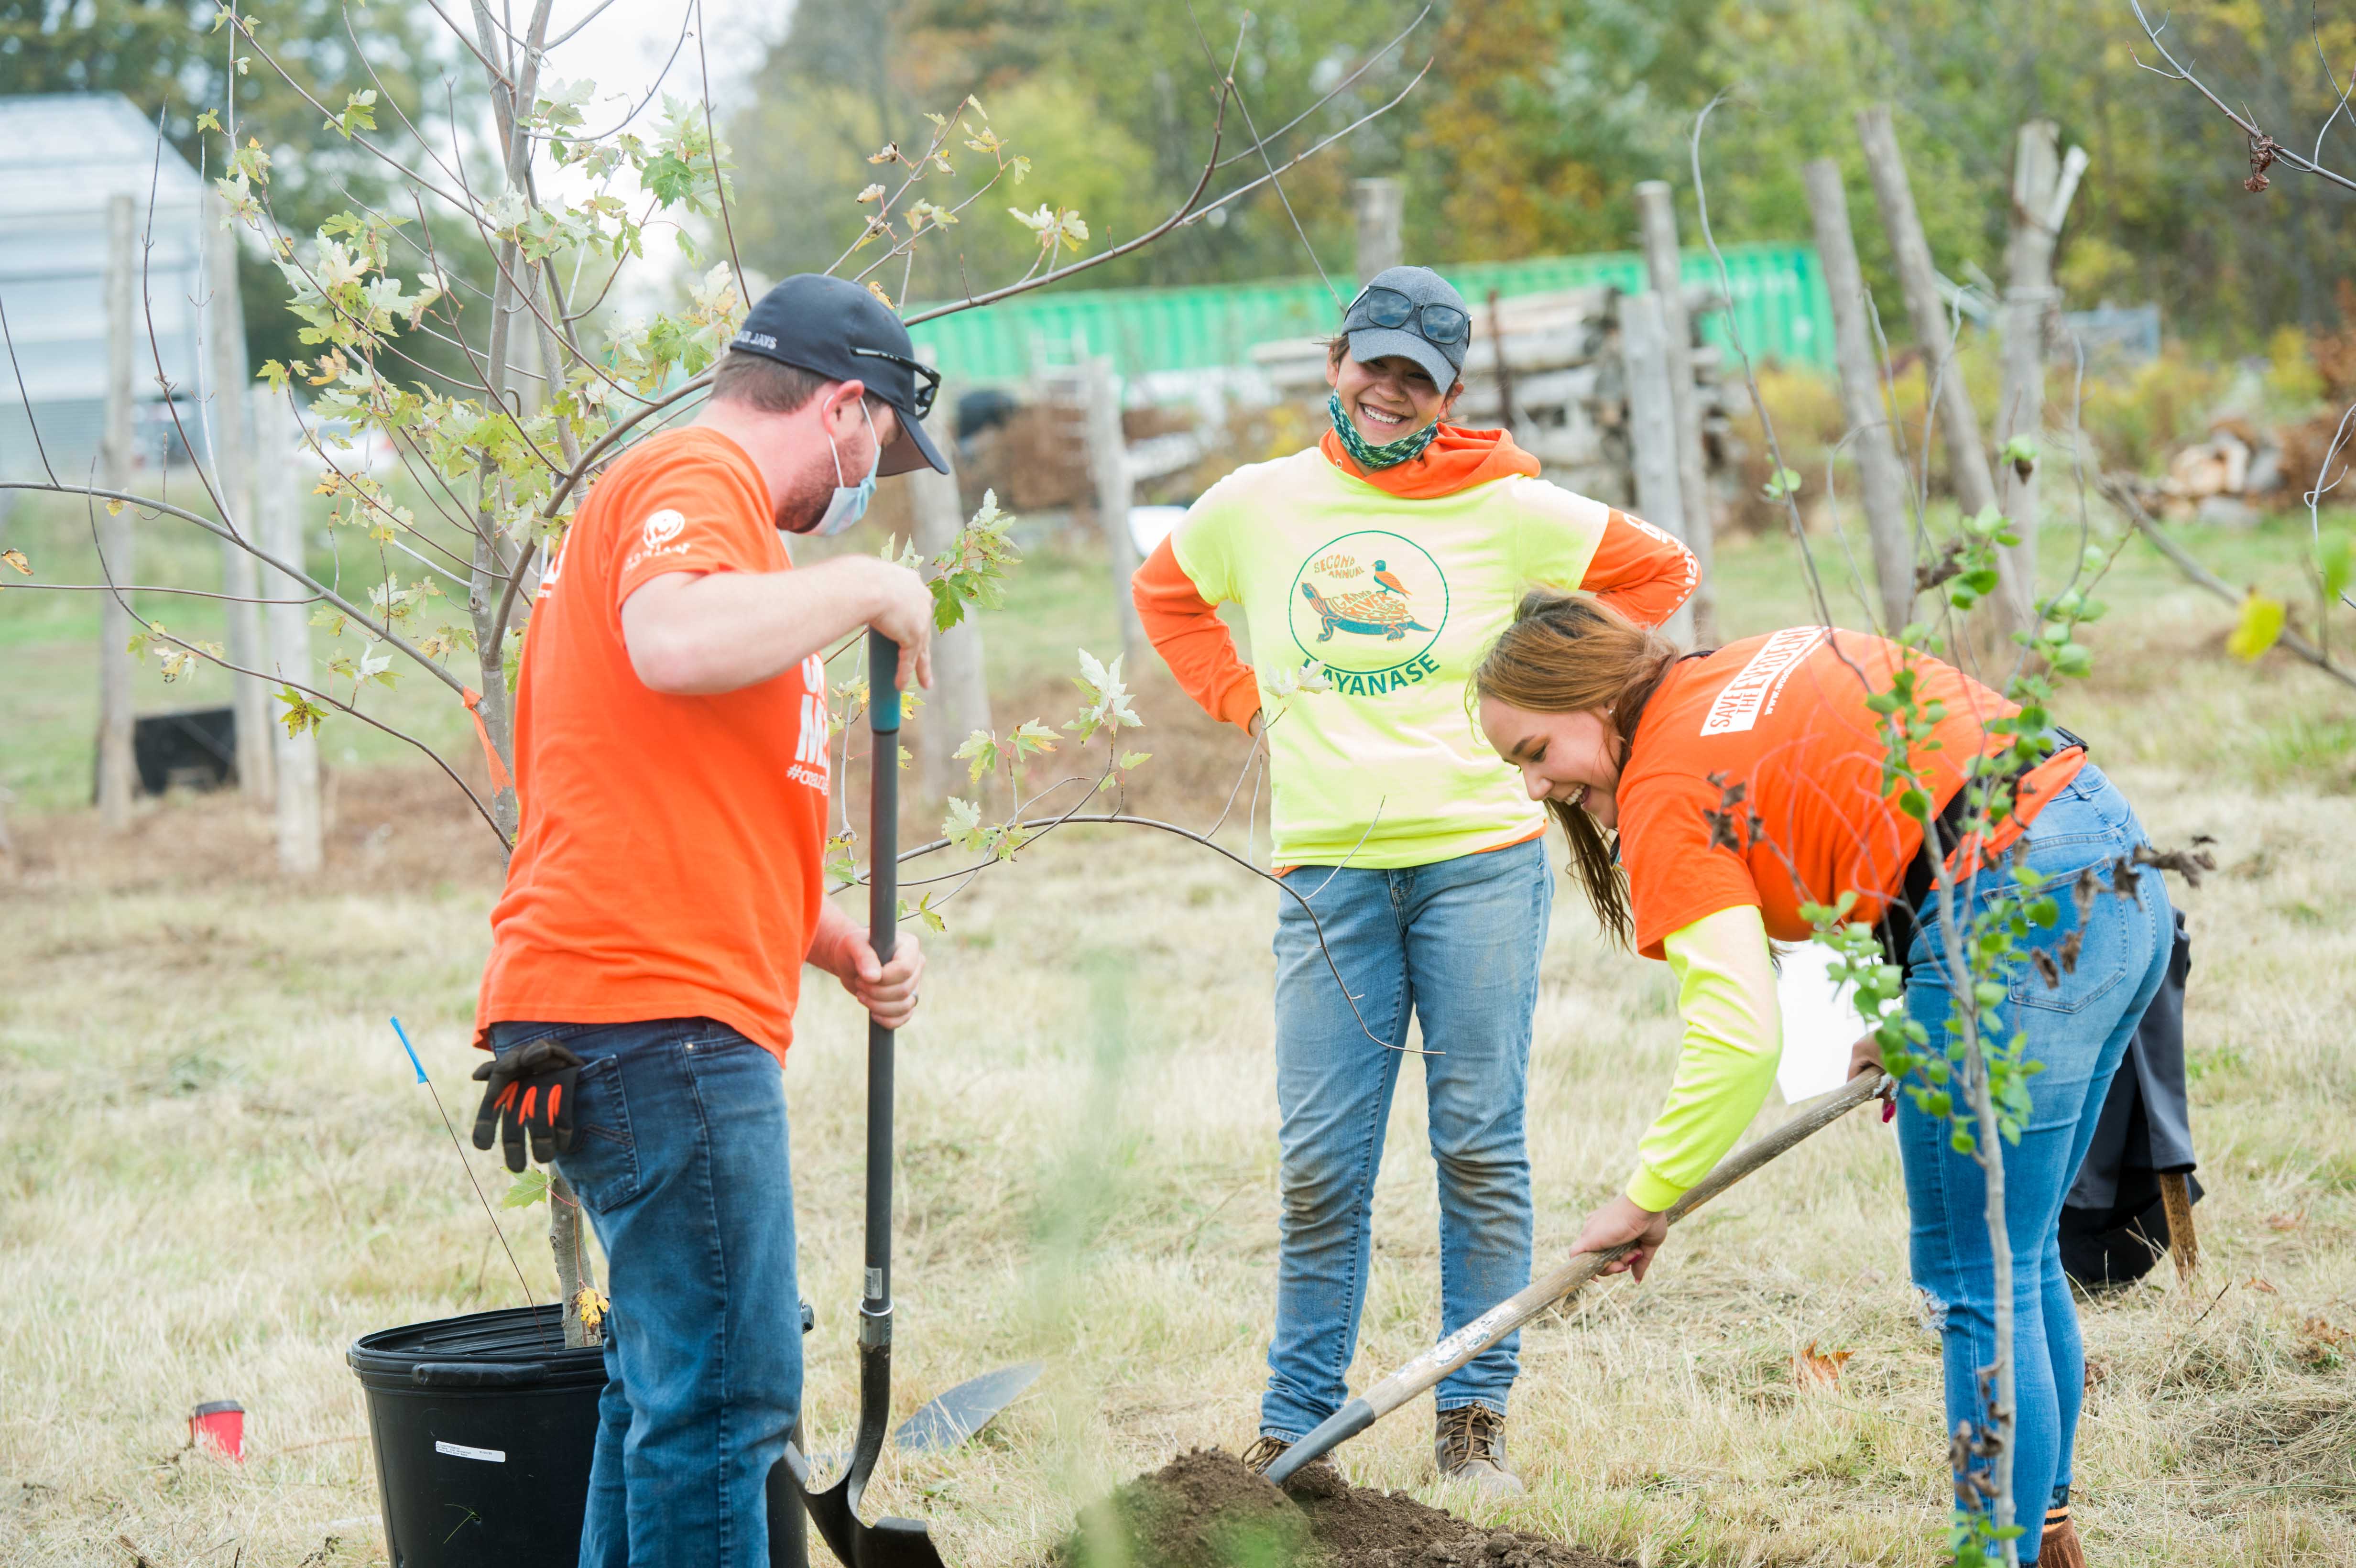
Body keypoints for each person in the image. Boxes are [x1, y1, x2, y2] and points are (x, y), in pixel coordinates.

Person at [1132, 266, 1697, 1493]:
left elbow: (1662, 573)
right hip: (1328, 873)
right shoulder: (1254, 504)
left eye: (1416, 380)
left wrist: (1560, 690)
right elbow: (1165, 594)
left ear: (1448, 394)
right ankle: (1296, 1433)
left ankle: (1473, 1417)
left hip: (1479, 865)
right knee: (1323, 1159)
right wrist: (1246, 701)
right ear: (1336, 360)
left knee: (1478, 1144)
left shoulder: (1508, 506)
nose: (1387, 394)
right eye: (1372, 365)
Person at [1472, 593, 2177, 1567]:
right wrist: (1910, 1004)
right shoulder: (1736, 668)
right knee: (2014, 1257)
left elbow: (1736, 1038)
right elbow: (1904, 793)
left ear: (1590, 698)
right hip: (2107, 856)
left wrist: (1646, 1196)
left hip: (2008, 910)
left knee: (1975, 1279)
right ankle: (2043, 1540)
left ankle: (1998, 1552)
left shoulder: (1664, 785)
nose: (1534, 787)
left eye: (1534, 751)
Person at [468, 273, 946, 1567]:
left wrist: (836, 941)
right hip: (655, 1022)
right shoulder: (700, 480)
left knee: (661, 1392)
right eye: (878, 450)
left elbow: (675, 797)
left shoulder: (714, 532)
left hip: (616, 1004)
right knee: (729, 1402)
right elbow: (671, 643)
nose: (866, 480)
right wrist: (863, 587)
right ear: (845, 404)